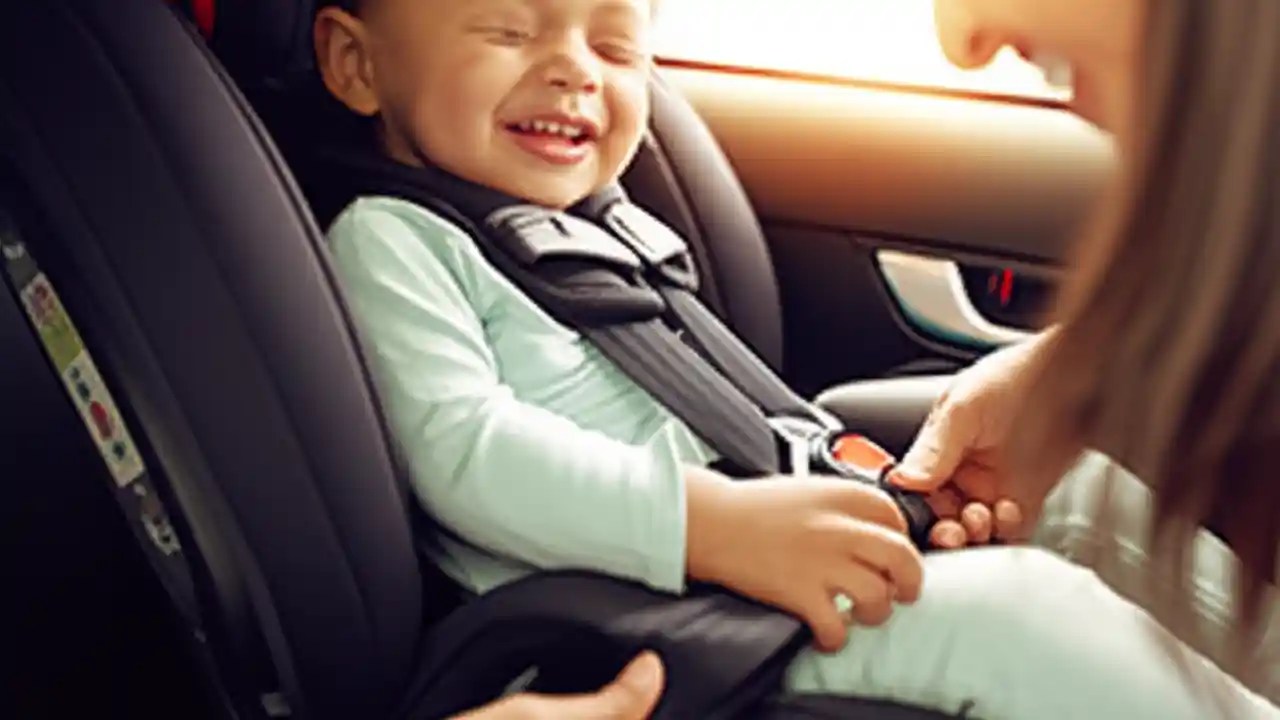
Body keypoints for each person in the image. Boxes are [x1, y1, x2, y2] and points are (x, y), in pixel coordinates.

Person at [309, 0, 1278, 717]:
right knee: (1029, 609)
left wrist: (852, 497)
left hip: (748, 544)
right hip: (635, 613)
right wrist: (708, 523)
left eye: (614, 44)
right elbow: (463, 448)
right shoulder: (393, 239)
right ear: (355, 64)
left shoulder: (603, 225)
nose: (575, 72)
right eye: (509, 30)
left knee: (1081, 496)